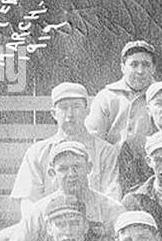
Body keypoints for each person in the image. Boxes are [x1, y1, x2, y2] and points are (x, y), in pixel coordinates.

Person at [0, 141, 125, 241]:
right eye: (63, 169)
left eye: (77, 166)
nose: (71, 174)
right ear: (52, 172)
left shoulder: (111, 209)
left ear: (89, 168)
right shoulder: (40, 210)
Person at [9, 82, 121, 216]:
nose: (70, 114)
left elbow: (112, 198)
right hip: (50, 224)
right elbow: (29, 203)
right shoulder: (37, 152)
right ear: (54, 114)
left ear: (87, 111)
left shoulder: (105, 152)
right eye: (63, 108)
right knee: (3, 237)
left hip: (93, 224)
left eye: (76, 107)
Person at [86, 39, 158, 156]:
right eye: (134, 65)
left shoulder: (159, 96)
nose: (140, 71)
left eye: (146, 65)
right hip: (111, 162)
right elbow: (93, 137)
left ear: (153, 69)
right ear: (123, 68)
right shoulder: (106, 97)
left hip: (150, 163)